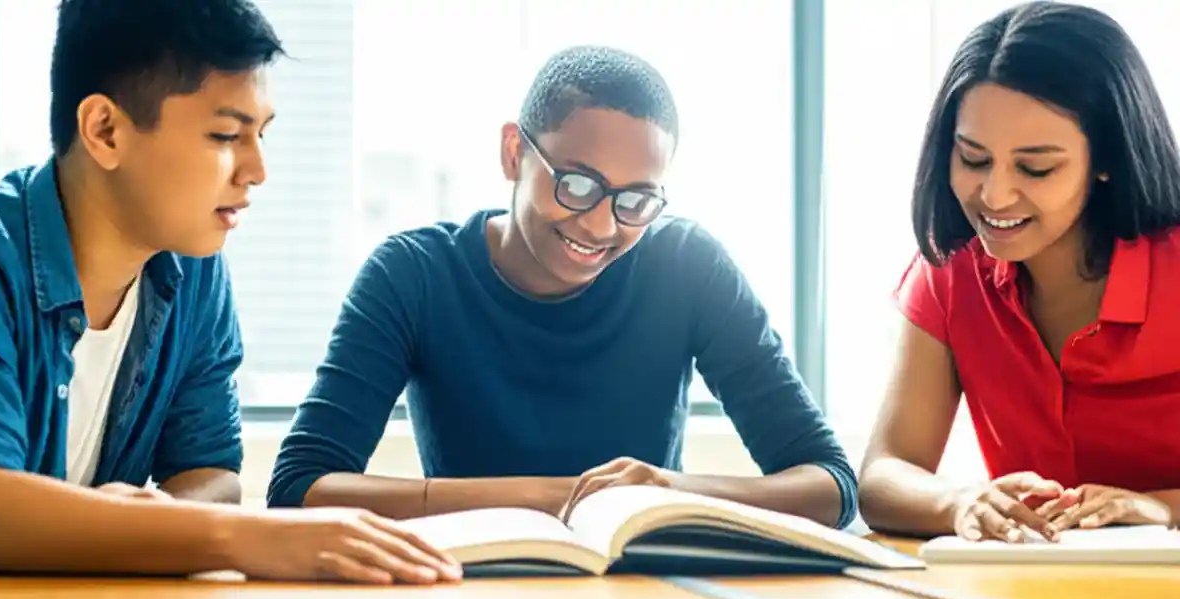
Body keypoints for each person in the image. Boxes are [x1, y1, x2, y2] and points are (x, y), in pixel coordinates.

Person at [0, 1, 458, 599]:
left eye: (262, 135)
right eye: (226, 135)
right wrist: (257, 540)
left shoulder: (192, 269)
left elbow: (212, 472)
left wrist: (158, 519)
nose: (256, 170)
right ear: (105, 129)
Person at [269, 45, 857, 530]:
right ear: (513, 152)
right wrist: (559, 495)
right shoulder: (413, 274)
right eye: (577, 185)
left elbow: (830, 483)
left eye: (636, 201)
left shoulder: (686, 265)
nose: (601, 225)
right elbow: (300, 486)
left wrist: (670, 490)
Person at [858, 1, 1180, 542]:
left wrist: (1164, 509)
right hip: (1031, 589)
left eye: (1036, 167)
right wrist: (957, 501)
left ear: (1106, 159)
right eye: (973, 158)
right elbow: (884, 474)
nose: (994, 195)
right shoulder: (951, 272)